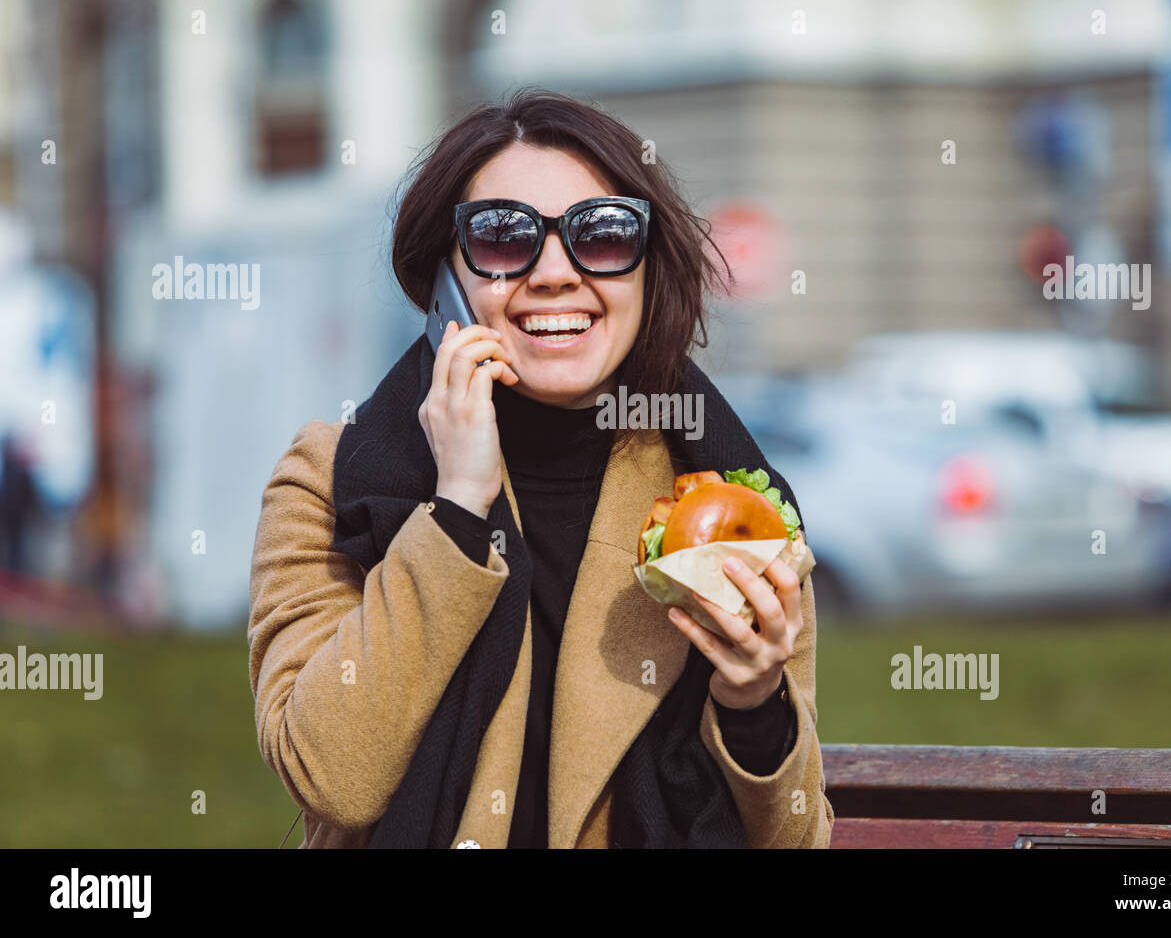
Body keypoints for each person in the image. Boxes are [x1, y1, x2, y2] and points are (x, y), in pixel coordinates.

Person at [248, 87, 833, 848]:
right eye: (502, 237)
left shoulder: (730, 504)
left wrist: (755, 701)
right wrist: (456, 505)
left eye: (603, 234)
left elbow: (797, 840)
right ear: (444, 285)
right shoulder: (330, 480)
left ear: (646, 270)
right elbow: (332, 778)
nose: (556, 272)